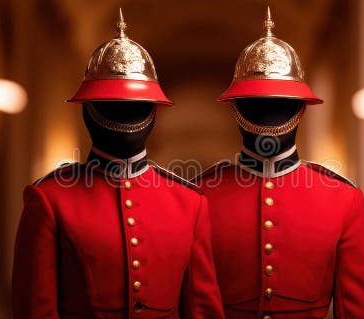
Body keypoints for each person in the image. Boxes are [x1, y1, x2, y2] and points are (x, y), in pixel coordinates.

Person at [12, 9, 224, 319]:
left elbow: (202, 311)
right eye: (114, 106)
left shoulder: (189, 205)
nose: (126, 114)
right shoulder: (50, 201)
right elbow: (35, 311)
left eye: (134, 107)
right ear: (89, 112)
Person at [192, 7, 364, 319]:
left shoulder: (344, 200)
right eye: (259, 105)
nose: (270, 113)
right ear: (236, 109)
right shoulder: (199, 195)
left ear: (299, 109)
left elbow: (357, 309)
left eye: (279, 105)